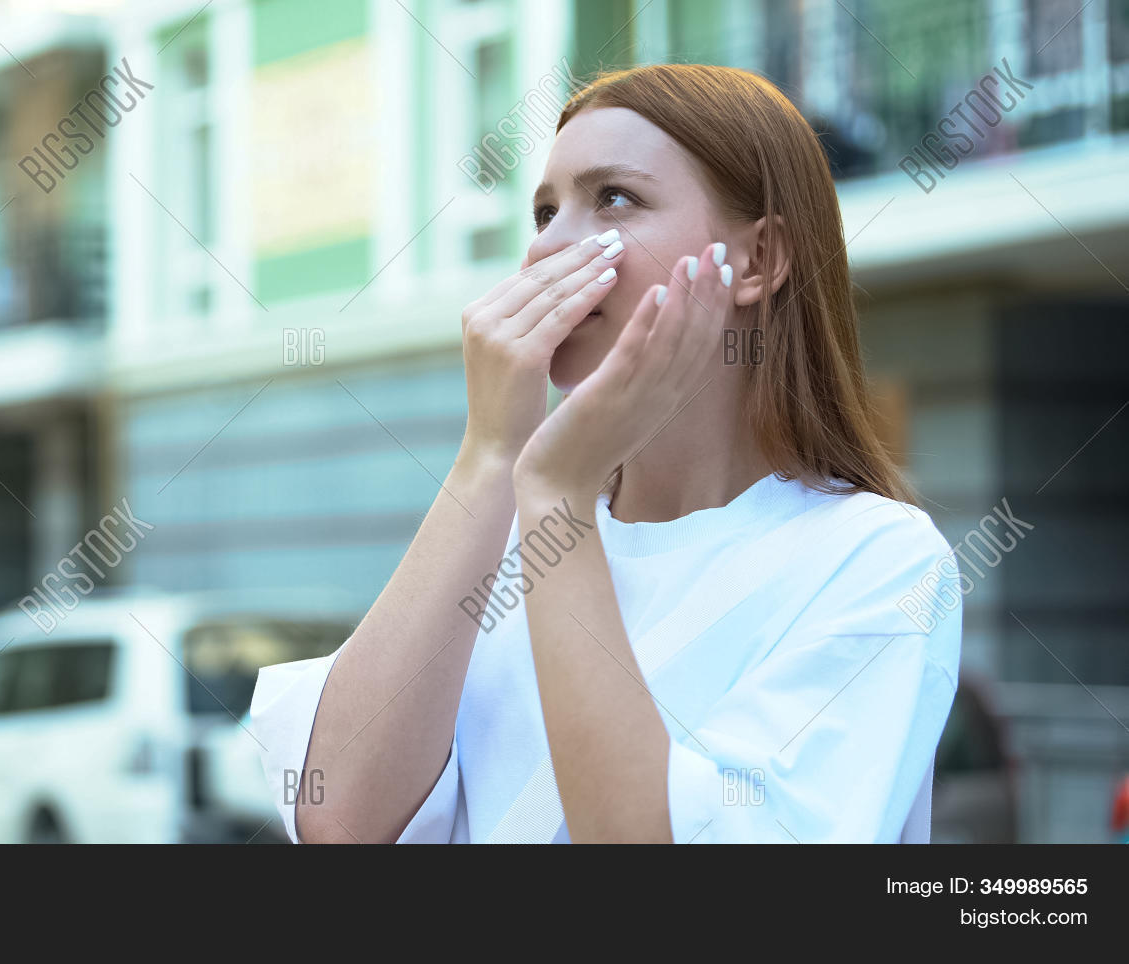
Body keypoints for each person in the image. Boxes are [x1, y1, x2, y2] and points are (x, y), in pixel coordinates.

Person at [250, 63, 961, 843]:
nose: (548, 248)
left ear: (757, 262)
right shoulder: (505, 537)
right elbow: (339, 816)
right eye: (544, 212)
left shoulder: (875, 559)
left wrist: (557, 488)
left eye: (613, 199)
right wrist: (492, 454)